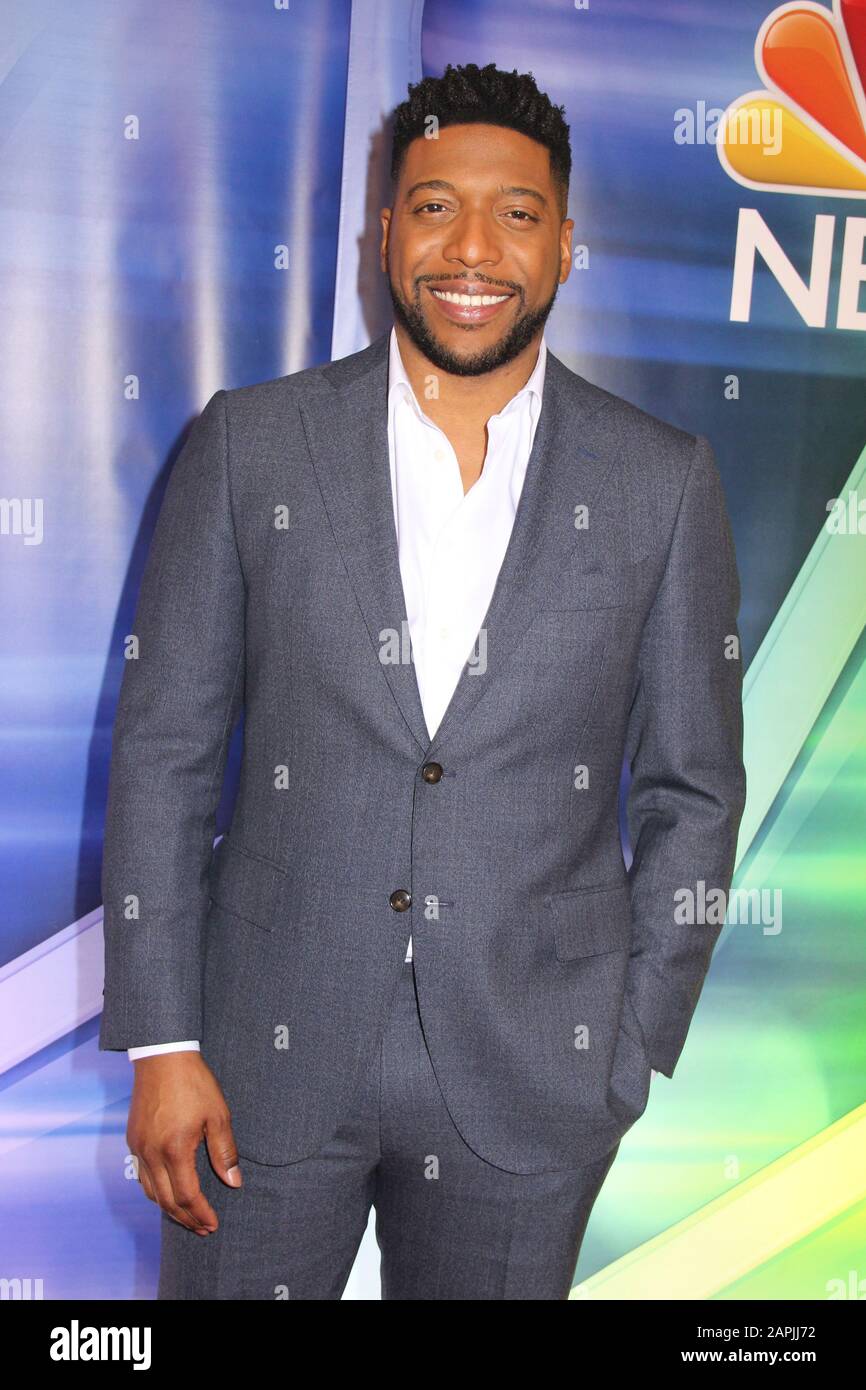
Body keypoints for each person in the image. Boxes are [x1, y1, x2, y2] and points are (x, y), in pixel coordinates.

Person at [100, 62, 746, 1300]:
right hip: (253, 1061)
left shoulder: (659, 482)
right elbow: (163, 753)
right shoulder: (250, 442)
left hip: (532, 1081)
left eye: (514, 214)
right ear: (381, 232)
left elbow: (693, 790)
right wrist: (164, 1041)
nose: (471, 246)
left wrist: (629, 1047)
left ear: (564, 248)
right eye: (434, 203)